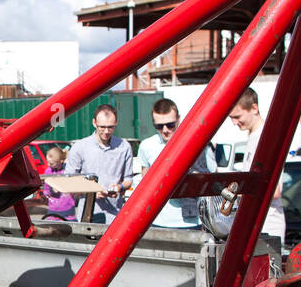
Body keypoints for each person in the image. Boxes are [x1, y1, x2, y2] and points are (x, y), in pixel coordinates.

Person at [133, 98, 215, 229]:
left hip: (193, 221)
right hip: (158, 220)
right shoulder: (146, 146)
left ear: (179, 119)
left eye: (170, 125)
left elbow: (213, 179)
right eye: (159, 126)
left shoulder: (198, 143)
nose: (165, 130)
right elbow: (145, 183)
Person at [227, 88, 286, 242]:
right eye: (231, 118)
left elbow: (274, 190)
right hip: (257, 223)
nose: (234, 123)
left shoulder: (265, 138)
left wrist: (237, 191)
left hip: (267, 225)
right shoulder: (255, 137)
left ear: (254, 108)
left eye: (237, 117)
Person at [64, 104, 133, 224]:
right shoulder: (80, 147)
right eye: (102, 127)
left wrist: (119, 187)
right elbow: (68, 182)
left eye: (110, 127)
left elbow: (128, 179)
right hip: (87, 216)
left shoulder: (124, 147)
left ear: (116, 123)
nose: (106, 131)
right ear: (94, 123)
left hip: (115, 215)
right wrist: (92, 192)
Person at [38, 146, 78, 221]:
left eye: (52, 163)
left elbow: (73, 186)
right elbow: (46, 188)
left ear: (61, 161)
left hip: (67, 208)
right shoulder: (48, 171)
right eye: (48, 162)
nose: (49, 165)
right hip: (53, 208)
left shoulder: (67, 171)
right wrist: (48, 193)